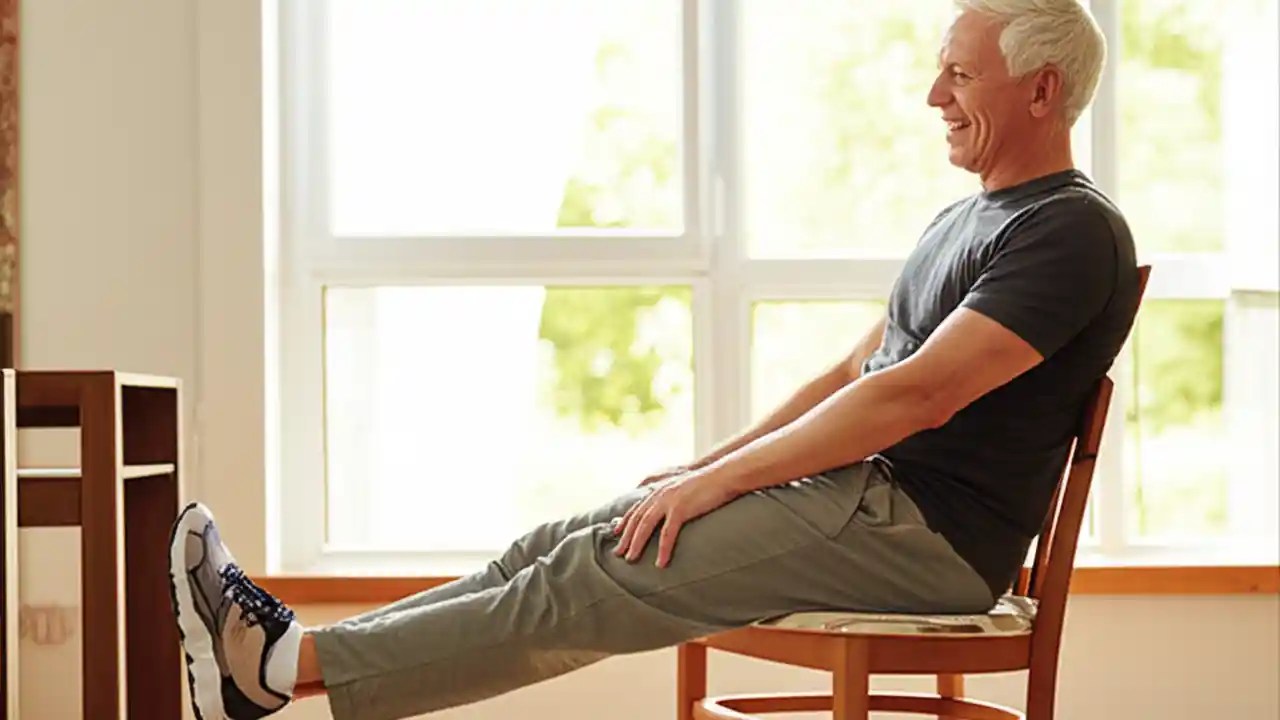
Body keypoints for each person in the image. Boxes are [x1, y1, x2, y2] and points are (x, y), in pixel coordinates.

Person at [168, 1, 1142, 718]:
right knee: (552, 543)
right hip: (865, 502)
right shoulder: (966, 218)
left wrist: (716, 488)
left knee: (600, 568)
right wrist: (703, 467)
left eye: (958, 76)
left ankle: (276, 668)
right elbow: (855, 373)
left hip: (920, 535)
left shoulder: (1068, 231)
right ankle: (281, 657)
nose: (932, 95)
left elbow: (917, 396)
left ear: (1040, 90)